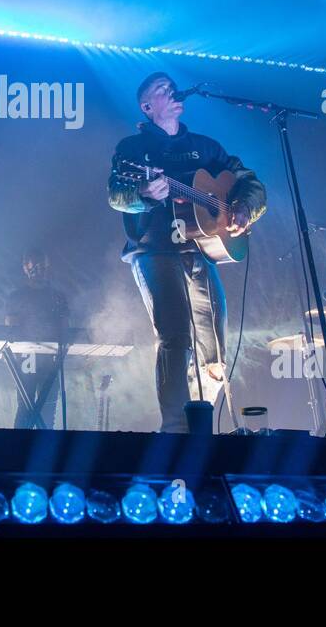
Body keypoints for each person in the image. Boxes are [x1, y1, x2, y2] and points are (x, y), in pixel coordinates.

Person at [107, 72, 266, 432]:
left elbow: (250, 183)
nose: (173, 91)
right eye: (161, 89)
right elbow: (116, 194)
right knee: (176, 336)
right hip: (154, 249)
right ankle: (175, 429)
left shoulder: (207, 147)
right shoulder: (133, 149)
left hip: (201, 251)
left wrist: (243, 207)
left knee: (214, 347)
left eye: (171, 86)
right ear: (147, 107)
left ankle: (201, 423)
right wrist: (144, 195)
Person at [4, 247, 70, 429]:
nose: (40, 270)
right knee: (26, 407)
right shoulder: (17, 296)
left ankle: (44, 450)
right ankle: (18, 447)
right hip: (28, 356)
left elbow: (65, 327)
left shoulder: (58, 296)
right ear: (25, 267)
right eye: (36, 265)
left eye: (43, 266)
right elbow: (10, 327)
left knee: (48, 409)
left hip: (52, 357)